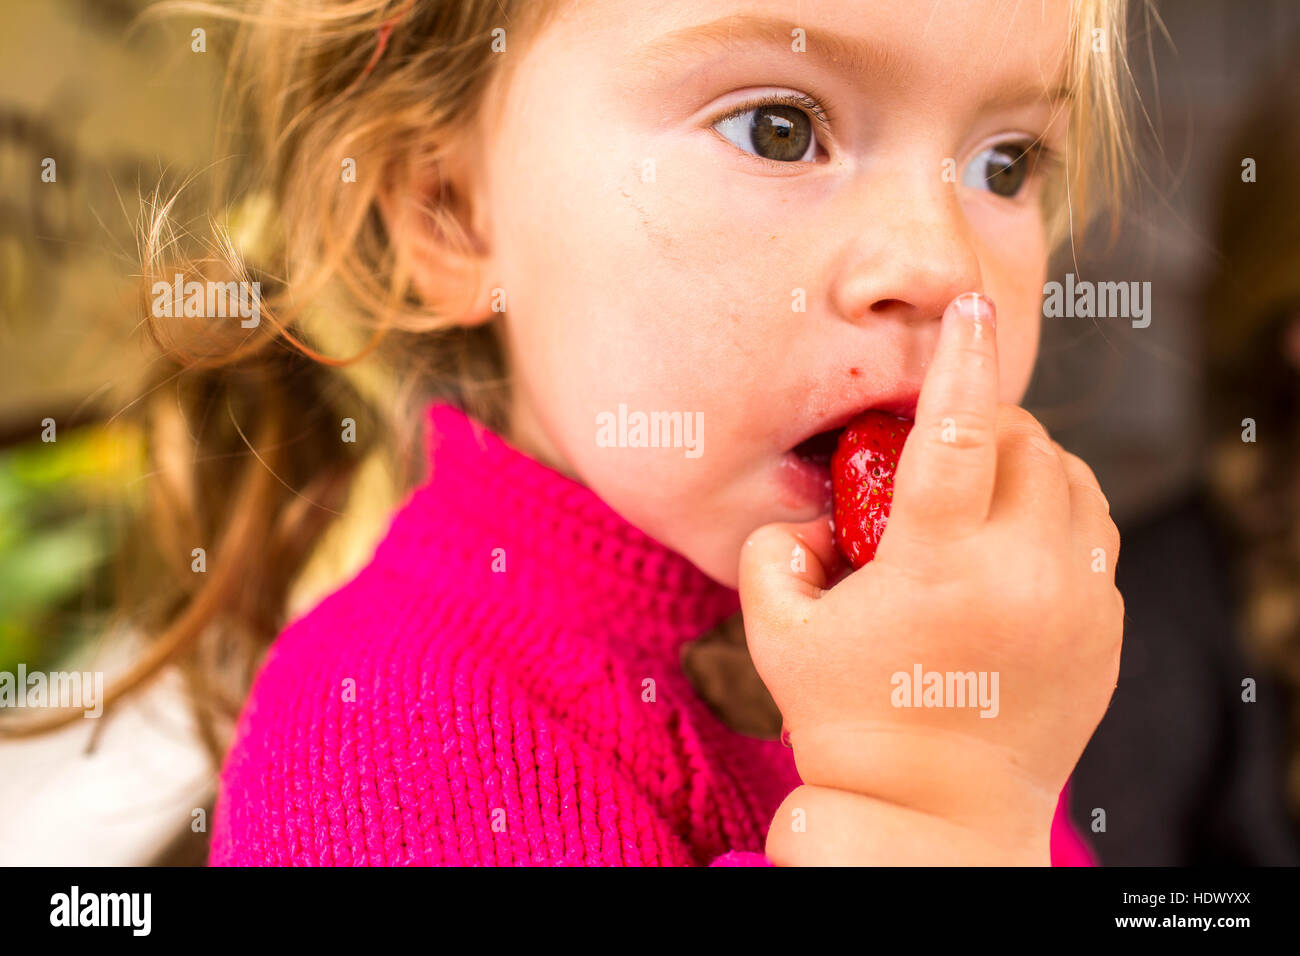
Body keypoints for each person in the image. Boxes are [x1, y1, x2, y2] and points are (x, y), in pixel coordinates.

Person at [9, 0, 1137, 865]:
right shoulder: (393, 735)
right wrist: (937, 809)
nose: (943, 264)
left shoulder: (936, 653)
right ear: (448, 212)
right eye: (780, 128)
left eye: (1006, 162)